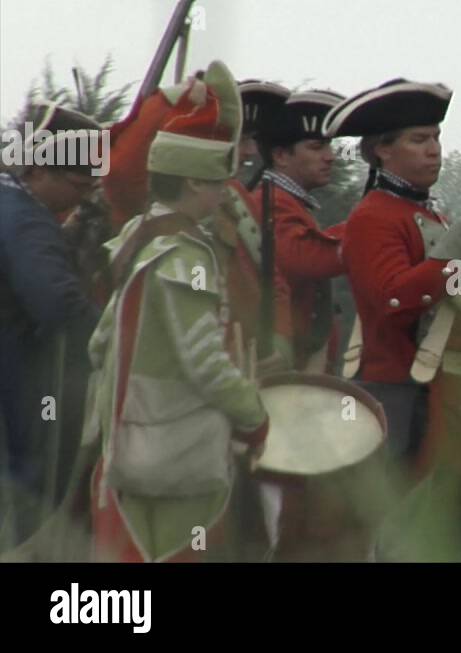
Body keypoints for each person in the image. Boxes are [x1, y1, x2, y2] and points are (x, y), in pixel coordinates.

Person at [325, 78, 461, 560]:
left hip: (440, 393)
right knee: (400, 528)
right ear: (381, 151)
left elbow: (454, 300)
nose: (434, 151)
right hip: (396, 390)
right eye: (419, 140)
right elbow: (393, 300)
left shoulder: (429, 217)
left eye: (436, 137)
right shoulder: (373, 216)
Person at [88, 61, 268, 562]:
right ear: (193, 184)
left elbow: (97, 343)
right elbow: (204, 360)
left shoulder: (137, 239)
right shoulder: (184, 256)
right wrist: (254, 417)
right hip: (170, 456)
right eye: (217, 182)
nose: (223, 192)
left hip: (123, 443)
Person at [0, 103, 103, 549]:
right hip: (18, 375)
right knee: (31, 492)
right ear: (40, 168)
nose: (83, 198)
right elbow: (56, 304)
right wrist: (113, 334)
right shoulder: (25, 219)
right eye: (78, 185)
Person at [254, 90, 348, 371]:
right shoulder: (270, 204)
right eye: (317, 147)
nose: (330, 157)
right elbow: (308, 260)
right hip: (283, 371)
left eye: (329, 147)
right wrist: (374, 221)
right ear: (281, 155)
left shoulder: (283, 201)